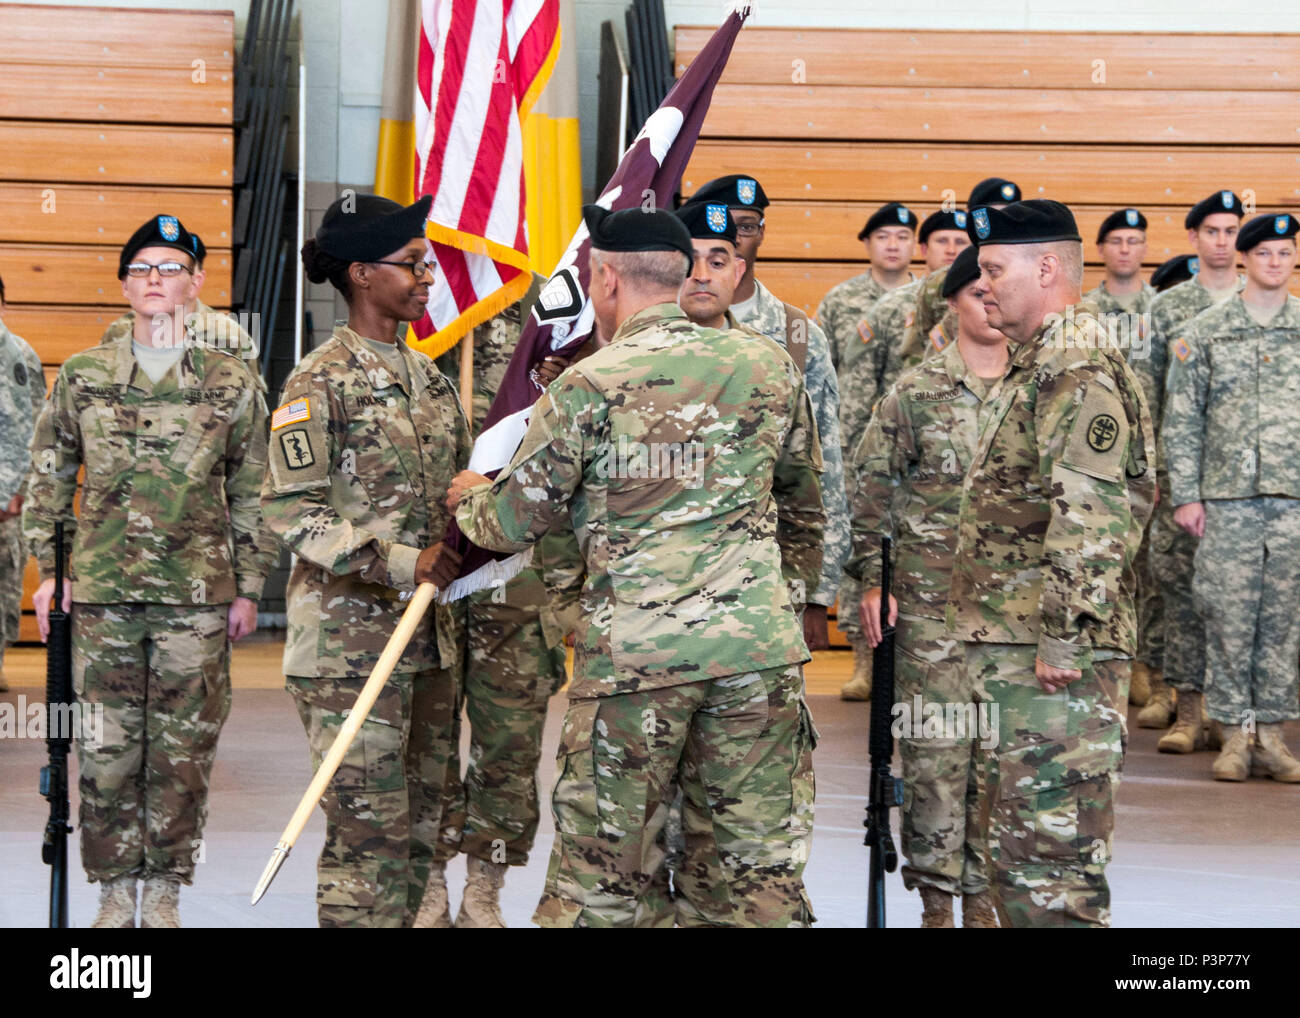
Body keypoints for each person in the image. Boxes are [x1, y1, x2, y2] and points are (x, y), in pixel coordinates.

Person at [448, 205, 825, 927]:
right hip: (755, 656)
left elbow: (514, 522)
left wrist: (471, 499)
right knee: (753, 876)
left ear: (605, 278)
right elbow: (804, 503)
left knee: (607, 877)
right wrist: (777, 604)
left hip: (635, 668)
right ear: (685, 277)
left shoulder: (589, 385)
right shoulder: (769, 367)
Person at [23, 214, 275, 928]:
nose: (155, 280)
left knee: (183, 753)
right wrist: (50, 571)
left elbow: (254, 488)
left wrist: (249, 586)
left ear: (197, 283)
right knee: (104, 748)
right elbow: (49, 475)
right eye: (142, 270)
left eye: (170, 268)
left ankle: (163, 890)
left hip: (195, 598)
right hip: (100, 593)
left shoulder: (231, 381)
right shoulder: (84, 375)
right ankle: (111, 892)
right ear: (125, 286)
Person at [259, 193, 471, 928]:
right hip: (350, 653)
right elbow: (290, 510)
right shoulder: (317, 382)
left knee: (418, 841)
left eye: (427, 263)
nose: (427, 277)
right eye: (412, 265)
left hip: (429, 647)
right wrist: (404, 559)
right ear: (360, 274)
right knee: (366, 843)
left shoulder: (435, 383)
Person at [946, 200, 1155, 927]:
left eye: (995, 269)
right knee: (1022, 861)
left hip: (1056, 661)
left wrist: (1063, 634)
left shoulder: (1074, 361)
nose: (984, 285)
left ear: (1045, 268)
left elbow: (1091, 512)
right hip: (1022, 653)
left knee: (1049, 874)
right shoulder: (1040, 361)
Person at [845, 245, 1005, 928]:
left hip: (1014, 615)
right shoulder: (915, 391)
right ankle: (938, 904)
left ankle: (988, 902)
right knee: (937, 757)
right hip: (931, 609)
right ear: (951, 304)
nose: (990, 306)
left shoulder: (1044, 390)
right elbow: (870, 492)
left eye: (997, 293)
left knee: (1002, 761)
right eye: (976, 295)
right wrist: (873, 581)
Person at [430, 284, 583, 926]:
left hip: (521, 567)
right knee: (426, 737)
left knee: (510, 741)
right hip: (432, 563)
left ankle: (484, 884)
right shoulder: (423, 315)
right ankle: (430, 878)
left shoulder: (560, 320)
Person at [679, 174, 846, 659]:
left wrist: (817, 588)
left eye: (746, 227)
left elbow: (823, 465)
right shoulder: (653, 331)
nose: (737, 236)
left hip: (763, 571)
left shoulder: (795, 333)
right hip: (666, 567)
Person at [1162, 212, 1300, 783]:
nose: (1276, 261)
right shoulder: (1205, 331)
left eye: (1286, 252)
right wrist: (1187, 496)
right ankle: (1235, 736)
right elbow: (1182, 420)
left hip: (1293, 501)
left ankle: (1272, 736)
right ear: (1243, 259)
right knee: (1227, 618)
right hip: (1227, 502)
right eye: (1264, 252)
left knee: (1284, 624)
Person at [836, 208, 970, 700]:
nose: (952, 251)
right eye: (942, 242)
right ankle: (867, 659)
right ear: (925, 248)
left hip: (952, 466)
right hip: (891, 456)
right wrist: (858, 462)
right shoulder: (891, 311)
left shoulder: (987, 304)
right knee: (877, 552)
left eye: (961, 241)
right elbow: (856, 392)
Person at [1135, 190, 1244, 750]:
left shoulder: (1260, 303)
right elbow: (1145, 395)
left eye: (1231, 231)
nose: (1222, 242)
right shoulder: (1166, 310)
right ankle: (1187, 709)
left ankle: (1234, 717)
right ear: (1194, 240)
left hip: (1242, 486)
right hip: (1179, 478)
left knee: (1236, 599)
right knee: (1178, 592)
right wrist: (1148, 473)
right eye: (1212, 232)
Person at [1084, 209, 1160, 706]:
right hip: (1097, 455)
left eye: (1136, 240)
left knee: (1152, 572)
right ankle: (1103, 659)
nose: (1126, 249)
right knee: (1101, 556)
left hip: (1152, 458)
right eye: (1117, 240)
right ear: (1102, 249)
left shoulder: (1165, 308)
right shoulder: (1084, 310)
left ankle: (1145, 668)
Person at [894, 178, 1022, 375]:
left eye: (1008, 214)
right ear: (973, 220)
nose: (1001, 222)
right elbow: (915, 351)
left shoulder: (1031, 277)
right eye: (992, 215)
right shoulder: (939, 283)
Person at [0, 275, 43, 692]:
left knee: (3, 592)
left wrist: (16, 491)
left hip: (4, 502)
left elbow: (34, 429)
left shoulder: (19, 356)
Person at [817, 201, 919, 373]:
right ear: (867, 243)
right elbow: (820, 368)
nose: (893, 246)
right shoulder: (839, 299)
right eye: (882, 237)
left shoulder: (927, 300)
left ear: (914, 244)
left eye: (902, 237)